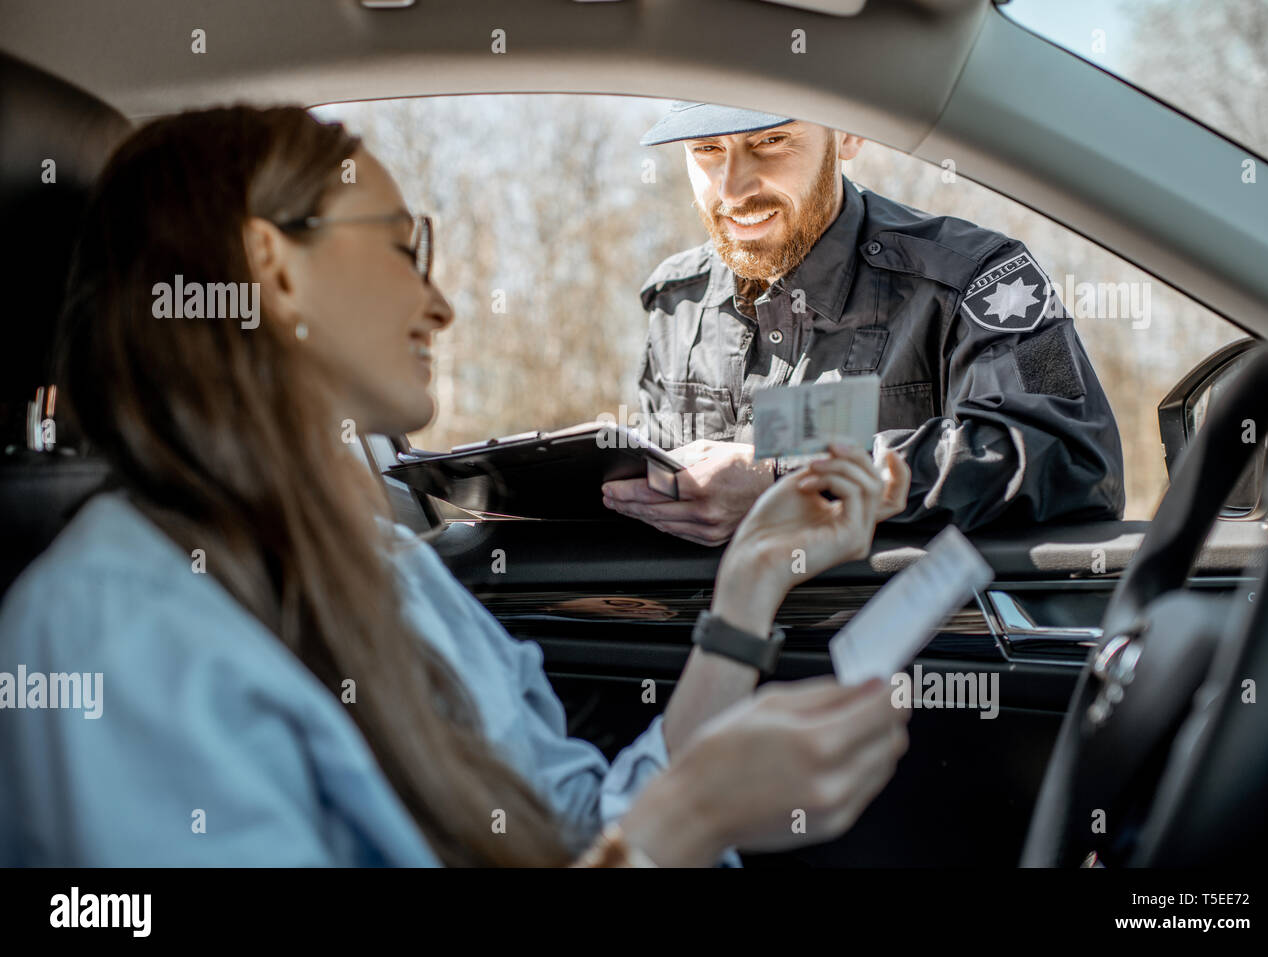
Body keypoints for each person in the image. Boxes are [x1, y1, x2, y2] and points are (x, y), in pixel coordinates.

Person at [0, 105, 913, 867]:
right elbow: (625, 841)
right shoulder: (109, 627)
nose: (440, 303)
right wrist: (681, 831)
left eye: (770, 145)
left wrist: (750, 582)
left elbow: (579, 824)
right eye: (404, 248)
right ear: (273, 268)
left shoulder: (392, 567)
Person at [602, 101, 1125, 546]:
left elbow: (1073, 460)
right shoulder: (676, 300)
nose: (734, 189)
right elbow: (656, 468)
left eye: (772, 141)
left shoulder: (985, 280)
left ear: (847, 132)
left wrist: (789, 481)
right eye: (707, 150)